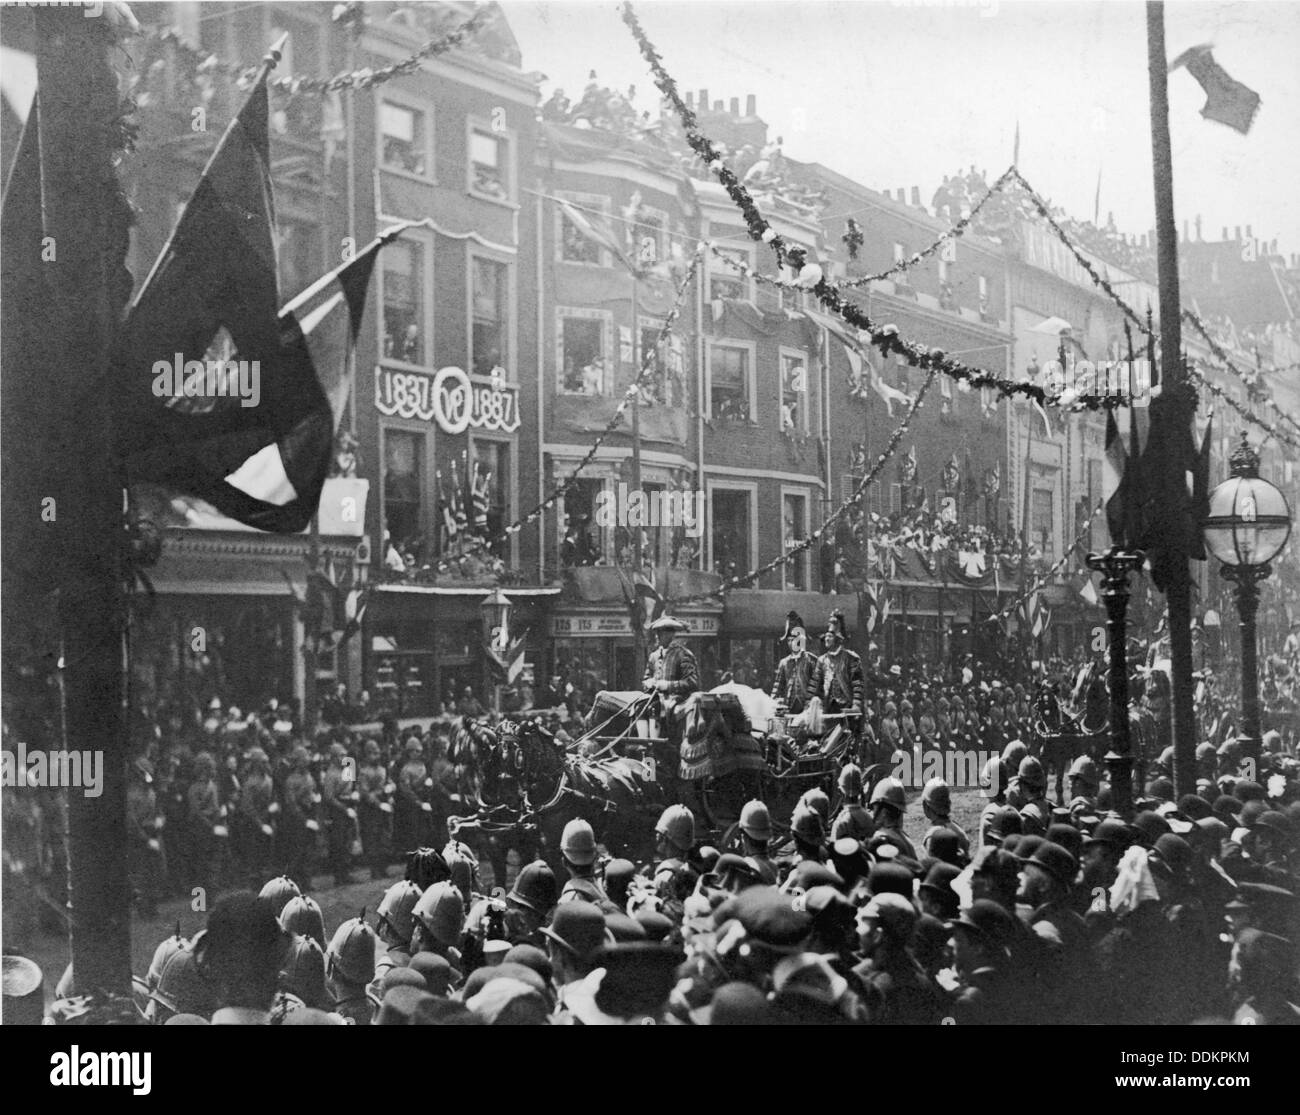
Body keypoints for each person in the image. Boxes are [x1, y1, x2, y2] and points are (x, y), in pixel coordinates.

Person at [643, 616, 700, 778]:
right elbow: (646, 677)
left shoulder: (683, 654)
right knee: (639, 706)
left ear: (670, 634)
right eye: (656, 633)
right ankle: (645, 745)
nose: (657, 637)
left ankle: (656, 745)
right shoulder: (654, 656)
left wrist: (666, 685)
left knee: (657, 707)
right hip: (655, 697)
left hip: (677, 699)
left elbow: (692, 682)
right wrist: (649, 683)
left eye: (660, 633)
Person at [808, 610, 865, 758]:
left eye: (830, 636)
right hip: (829, 710)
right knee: (824, 744)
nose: (826, 638)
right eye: (826, 636)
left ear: (838, 639)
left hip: (846, 709)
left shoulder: (851, 658)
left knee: (845, 745)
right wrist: (809, 705)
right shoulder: (822, 661)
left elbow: (857, 684)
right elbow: (814, 685)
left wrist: (856, 705)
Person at [771, 611, 818, 715]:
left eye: (796, 639)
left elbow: (815, 684)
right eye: (790, 640)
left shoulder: (811, 660)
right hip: (789, 704)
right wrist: (773, 702)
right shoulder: (784, 662)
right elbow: (778, 685)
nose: (792, 642)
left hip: (807, 706)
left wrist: (810, 703)